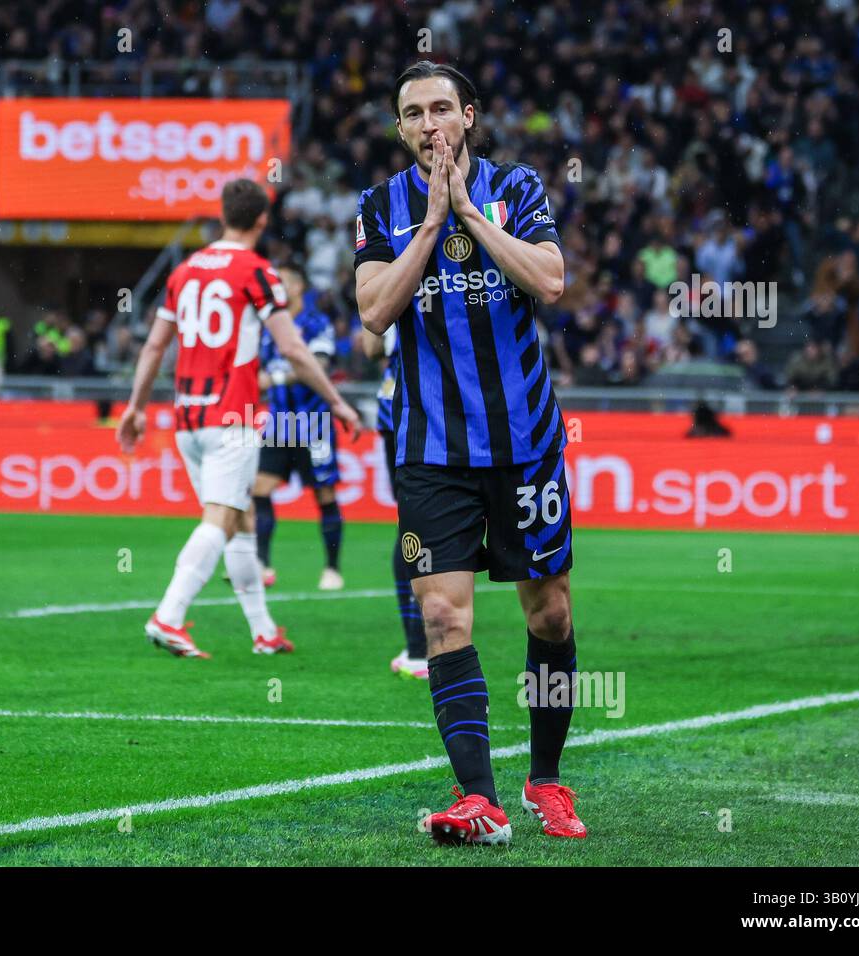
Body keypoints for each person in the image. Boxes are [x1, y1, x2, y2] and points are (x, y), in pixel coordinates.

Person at [355, 61, 584, 846]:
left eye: (442, 109)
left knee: (548, 611)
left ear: (470, 116)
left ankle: (546, 781)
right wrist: (428, 224)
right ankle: (477, 796)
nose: (430, 125)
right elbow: (375, 311)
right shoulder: (378, 206)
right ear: (399, 128)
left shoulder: (515, 189)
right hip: (432, 447)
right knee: (444, 614)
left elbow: (551, 281)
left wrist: (468, 216)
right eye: (414, 113)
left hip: (523, 444)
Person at [117, 179, 361, 659]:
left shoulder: (184, 270)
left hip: (187, 415)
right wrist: (335, 399)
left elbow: (153, 346)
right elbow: (291, 347)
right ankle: (168, 615)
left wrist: (135, 406)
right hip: (233, 415)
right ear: (263, 220)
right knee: (222, 518)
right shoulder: (257, 271)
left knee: (242, 517)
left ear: (223, 215)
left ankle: (263, 630)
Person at [251, 264, 346, 591]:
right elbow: (258, 369)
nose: (277, 287)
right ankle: (261, 564)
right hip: (279, 422)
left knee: (324, 492)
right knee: (259, 488)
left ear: (298, 286)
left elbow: (316, 367)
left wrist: (274, 378)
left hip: (314, 421)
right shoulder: (269, 326)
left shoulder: (316, 324)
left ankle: (332, 569)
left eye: (283, 282)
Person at [362, 323, 428, 679]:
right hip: (424, 402)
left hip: (396, 401)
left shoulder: (389, 268)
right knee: (417, 520)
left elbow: (371, 345)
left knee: (412, 519)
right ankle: (420, 646)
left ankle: (420, 645)